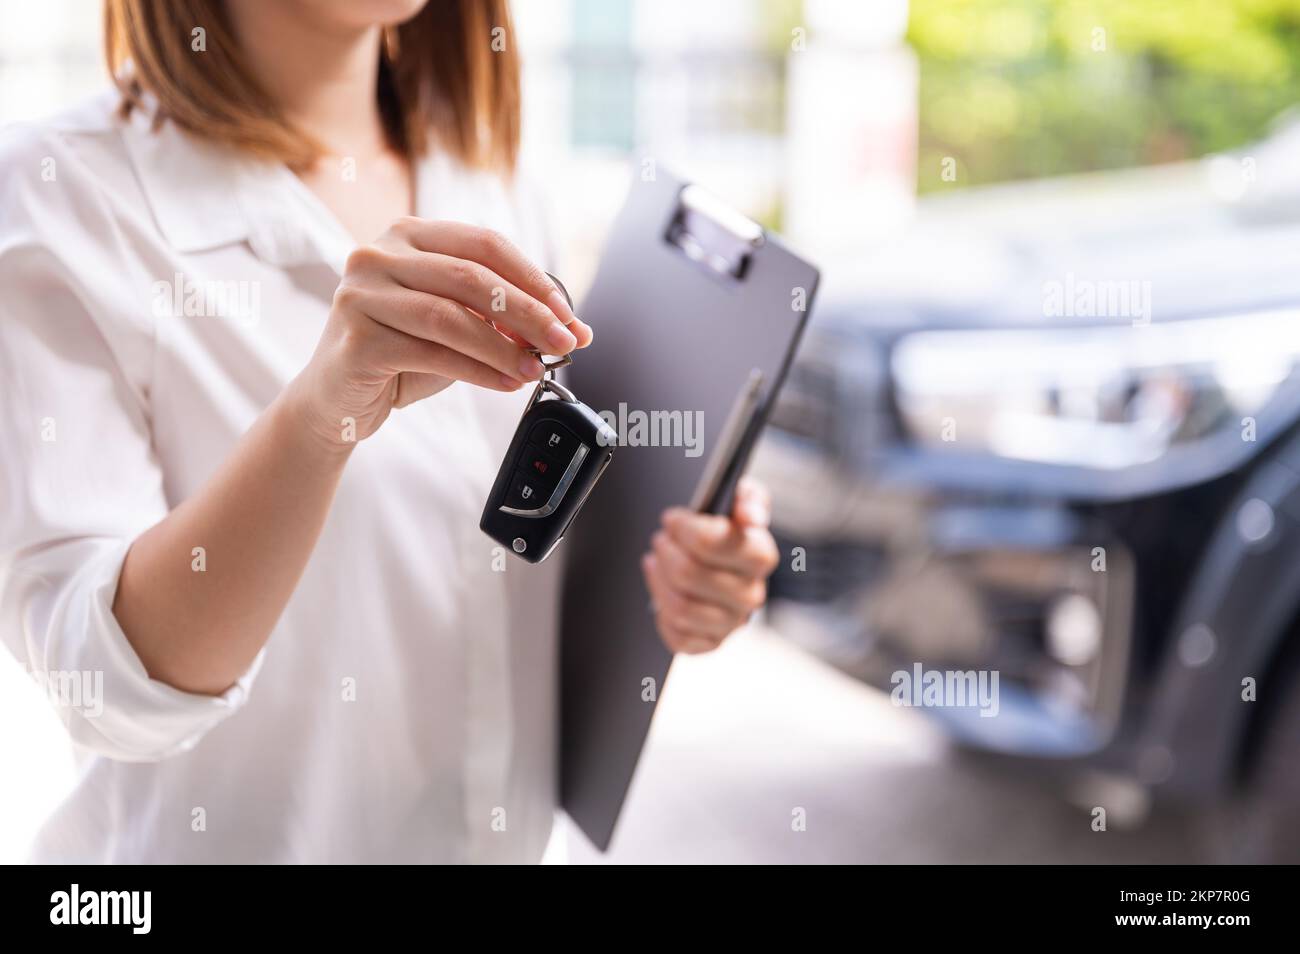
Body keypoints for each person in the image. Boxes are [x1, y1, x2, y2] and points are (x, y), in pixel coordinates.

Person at [0, 0, 778, 863]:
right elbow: (100, 683)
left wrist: (681, 573)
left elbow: (509, 546)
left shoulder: (491, 173)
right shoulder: (60, 192)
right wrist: (318, 418)